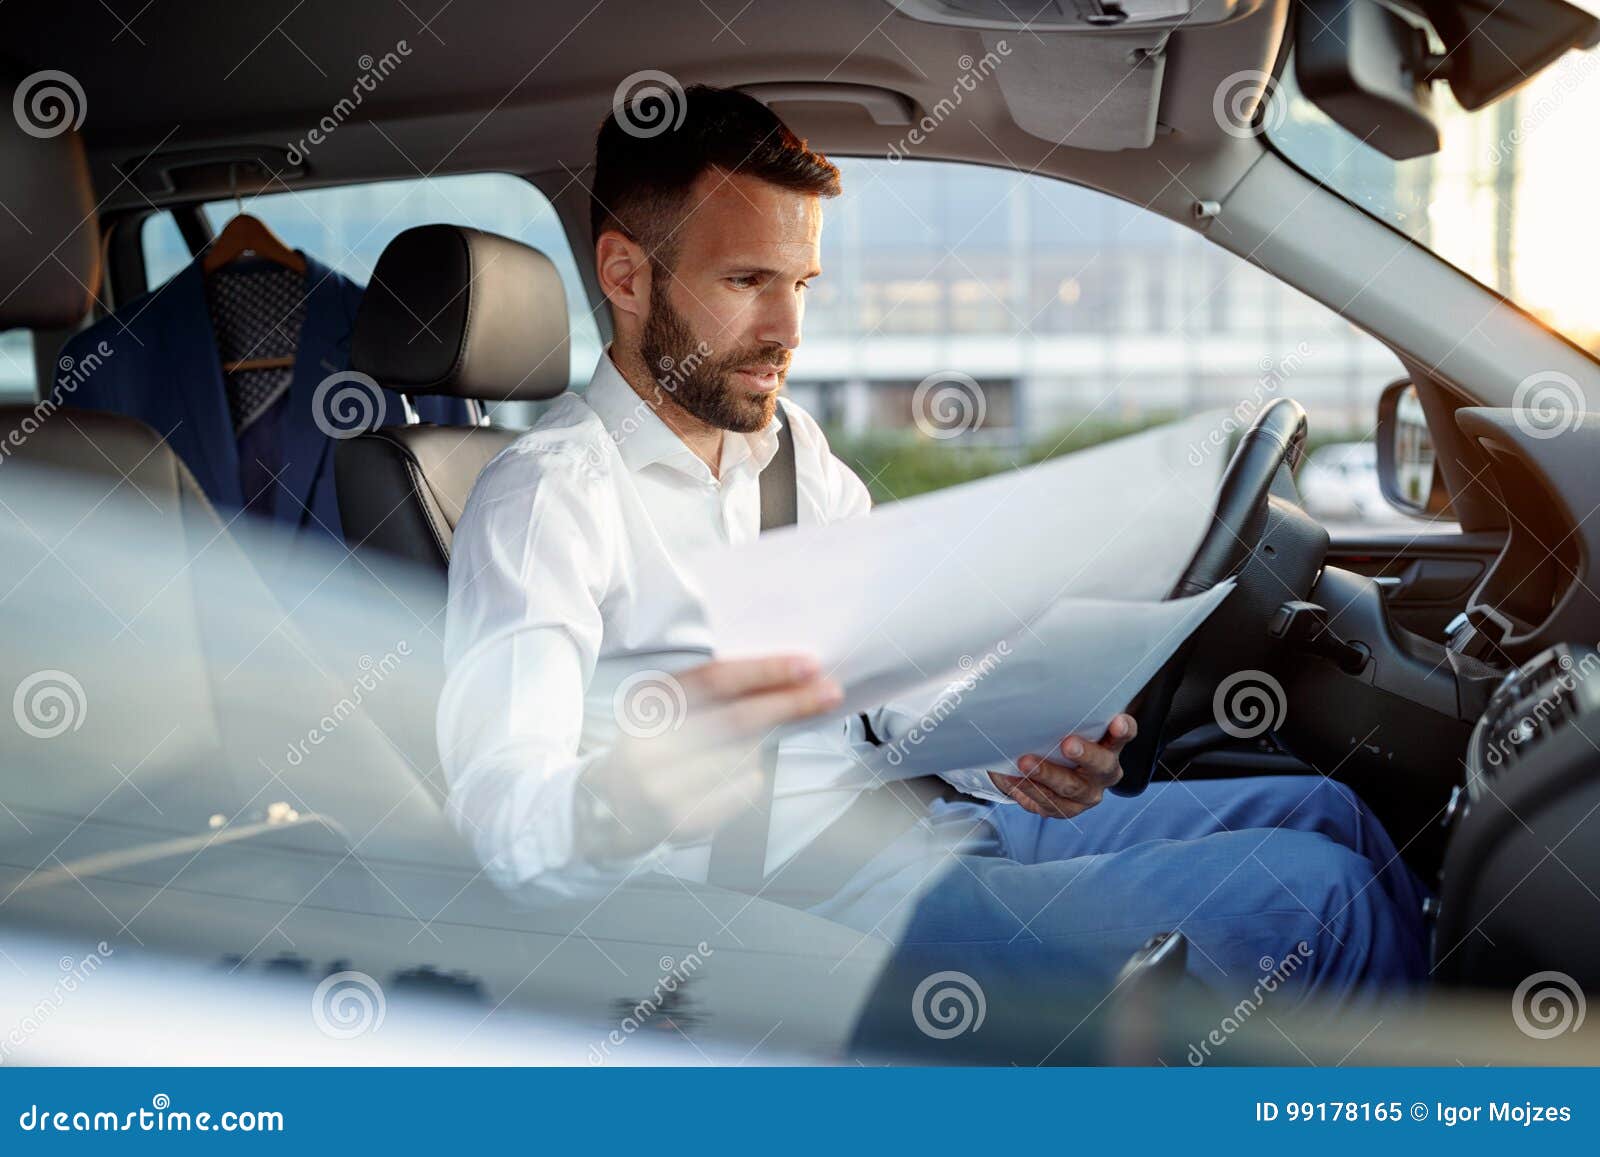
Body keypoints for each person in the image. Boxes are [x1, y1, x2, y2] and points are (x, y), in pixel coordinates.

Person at [437, 85, 1428, 1012]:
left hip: (932, 826)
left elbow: (890, 685)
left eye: (801, 283)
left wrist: (1021, 750)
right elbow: (504, 825)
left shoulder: (795, 457)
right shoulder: (545, 499)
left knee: (1331, 817)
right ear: (624, 274)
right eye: (745, 281)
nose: (787, 329)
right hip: (792, 921)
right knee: (1324, 898)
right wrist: (625, 796)